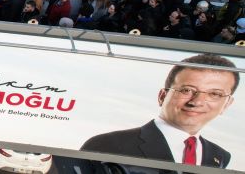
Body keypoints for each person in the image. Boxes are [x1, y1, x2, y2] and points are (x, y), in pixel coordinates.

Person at [80, 53, 237, 168]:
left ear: (226, 104)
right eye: (187, 90)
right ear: (162, 96)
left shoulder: (220, 156)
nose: (197, 102)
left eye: (215, 94)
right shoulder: (107, 145)